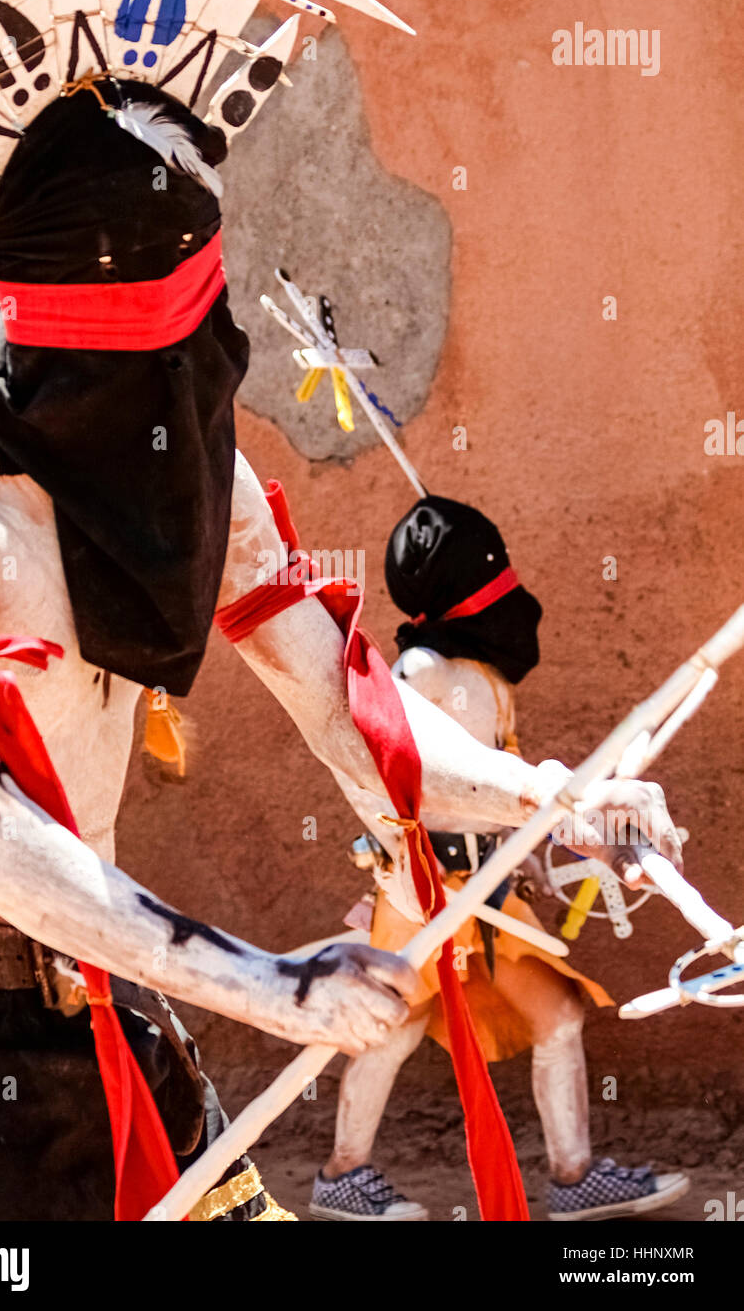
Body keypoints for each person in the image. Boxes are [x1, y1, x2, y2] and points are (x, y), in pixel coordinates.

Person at [0, 0, 683, 1223]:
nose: (181, 391)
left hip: (99, 1007)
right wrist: (263, 982)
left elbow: (354, 715)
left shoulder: (192, 473)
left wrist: (550, 799)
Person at [311, 495, 689, 1222]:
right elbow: (392, 775)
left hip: (492, 893)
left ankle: (575, 1177)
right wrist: (395, 862)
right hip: (424, 888)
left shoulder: (487, 679)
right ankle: (341, 1175)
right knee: (390, 1023)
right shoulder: (417, 671)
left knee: (557, 1012)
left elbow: (504, 777)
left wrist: (540, 858)